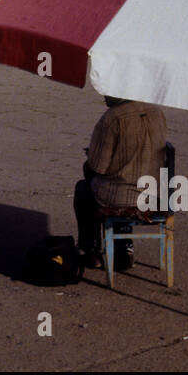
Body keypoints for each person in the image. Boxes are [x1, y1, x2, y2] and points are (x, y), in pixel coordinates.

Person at [74, 96, 167, 272]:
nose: (103, 96)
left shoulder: (112, 118)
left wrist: (89, 159)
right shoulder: (157, 112)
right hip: (155, 198)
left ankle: (90, 249)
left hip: (120, 199)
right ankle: (124, 247)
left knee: (86, 190)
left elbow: (97, 167)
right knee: (117, 189)